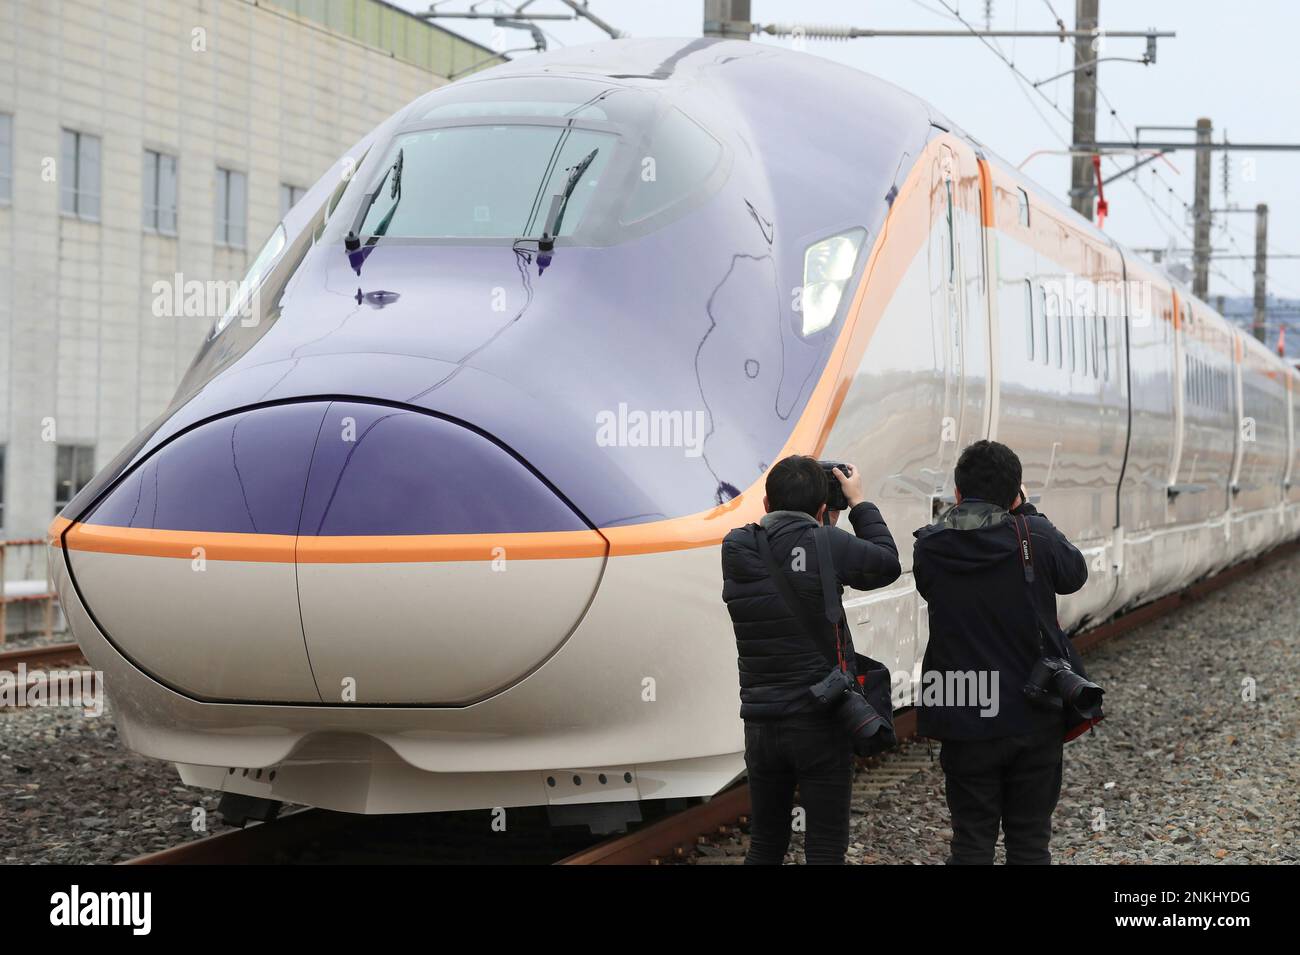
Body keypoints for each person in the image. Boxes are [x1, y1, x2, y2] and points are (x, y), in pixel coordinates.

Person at [912, 440, 1089, 865]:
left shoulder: (930, 548)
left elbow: (932, 585)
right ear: (1015, 495)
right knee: (1029, 842)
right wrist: (1025, 512)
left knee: (971, 841)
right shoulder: (1037, 536)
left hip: (964, 705)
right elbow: (1074, 574)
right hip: (1033, 709)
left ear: (957, 494)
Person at [721, 454, 901, 864]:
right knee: (823, 847)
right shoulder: (827, 541)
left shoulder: (735, 545)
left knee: (765, 845)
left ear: (766, 505)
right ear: (824, 510)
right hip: (820, 719)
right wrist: (859, 504)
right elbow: (887, 564)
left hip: (762, 723)